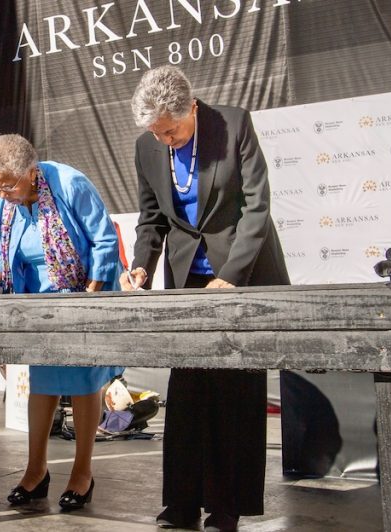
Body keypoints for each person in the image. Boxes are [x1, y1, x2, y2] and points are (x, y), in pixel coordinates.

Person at [120, 66, 289, 532]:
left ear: (191, 108)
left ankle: (227, 507)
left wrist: (232, 275)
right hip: (187, 281)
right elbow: (151, 219)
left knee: (236, 392)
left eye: (171, 131)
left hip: (243, 271)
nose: (164, 140)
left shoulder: (233, 125)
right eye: (157, 133)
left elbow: (257, 206)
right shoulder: (146, 147)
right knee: (189, 391)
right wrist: (141, 266)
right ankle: (181, 502)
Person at [0, 133, 123, 511]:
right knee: (42, 381)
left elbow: (104, 242)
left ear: (30, 172)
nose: (0, 193)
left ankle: (82, 473)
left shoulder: (70, 184)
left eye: (6, 185)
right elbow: (6, 252)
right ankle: (35, 470)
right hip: (38, 302)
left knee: (85, 380)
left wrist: (89, 297)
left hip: (84, 294)